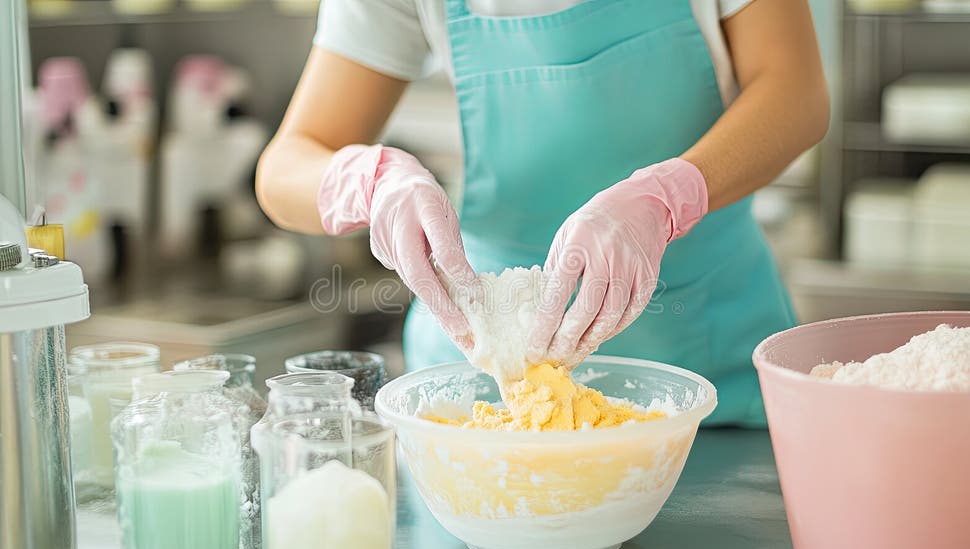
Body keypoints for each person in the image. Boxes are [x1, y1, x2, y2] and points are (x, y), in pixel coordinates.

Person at [256, 0, 829, 426]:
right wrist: (370, 182)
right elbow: (285, 166)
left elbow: (796, 94)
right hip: (482, 395)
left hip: (705, 382)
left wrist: (664, 198)